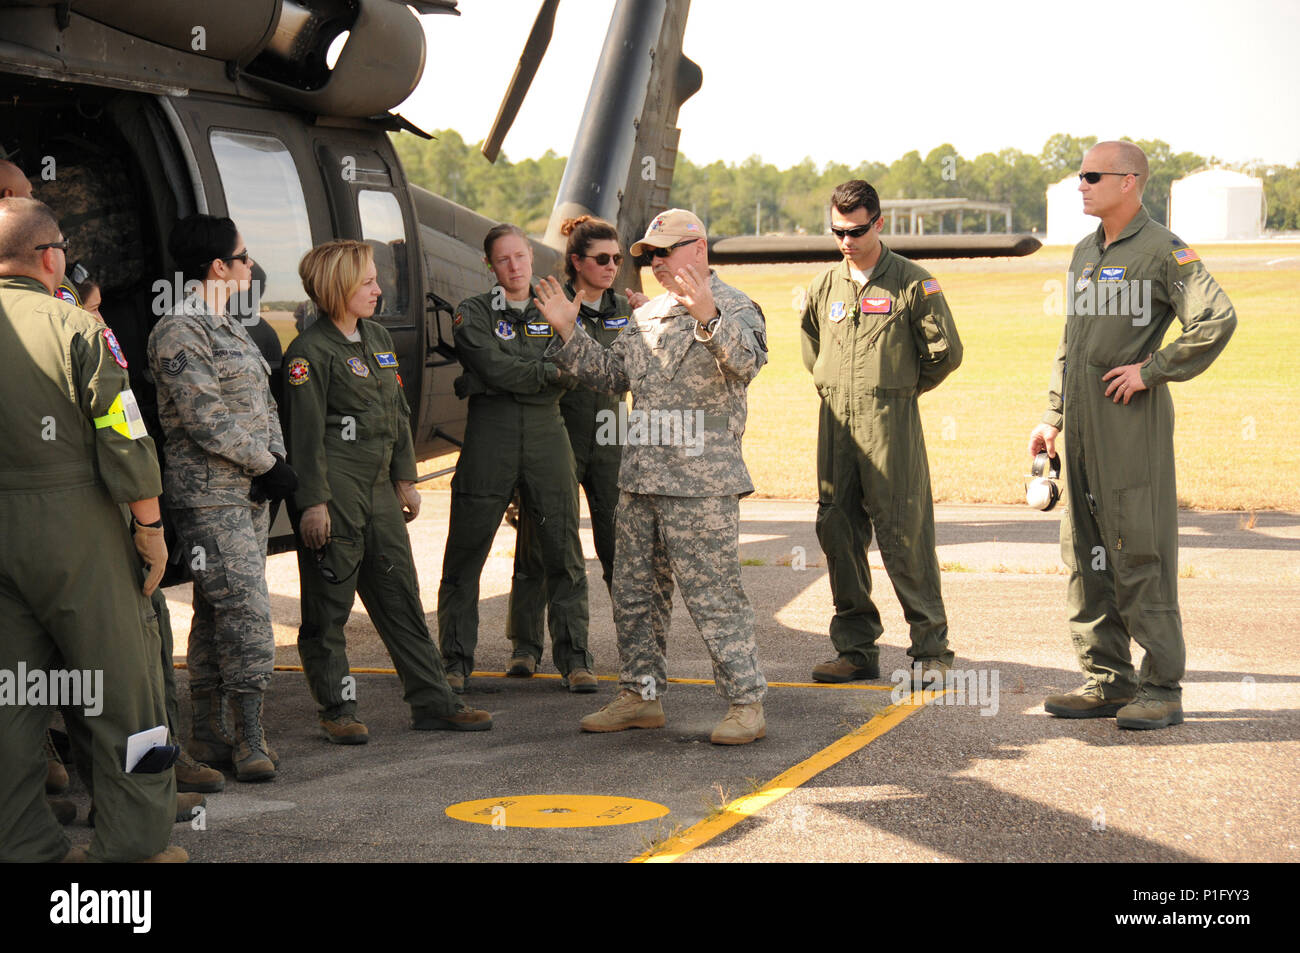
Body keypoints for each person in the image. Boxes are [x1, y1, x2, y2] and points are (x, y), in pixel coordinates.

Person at [533, 208, 770, 745]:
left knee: (714, 595)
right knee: (635, 595)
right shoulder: (648, 315)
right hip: (641, 478)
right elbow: (611, 374)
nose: (655, 262)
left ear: (699, 249)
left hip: (700, 486)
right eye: (650, 255)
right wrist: (569, 330)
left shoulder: (733, 306)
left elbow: (747, 363)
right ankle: (641, 695)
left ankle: (745, 703)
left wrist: (707, 314)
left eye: (665, 251)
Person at [0, 197, 183, 862]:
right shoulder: (77, 327)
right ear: (51, 258)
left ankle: (20, 842)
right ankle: (132, 843)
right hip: (78, 530)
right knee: (123, 691)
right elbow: (122, 430)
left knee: (12, 699)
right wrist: (150, 525)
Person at [1033, 141, 1236, 730]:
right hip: (1081, 426)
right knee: (1085, 550)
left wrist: (1152, 370)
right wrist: (1052, 417)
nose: (1081, 184)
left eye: (1093, 176)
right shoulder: (1083, 253)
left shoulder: (1163, 250)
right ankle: (1107, 680)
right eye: (1079, 175)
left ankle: (1162, 688)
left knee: (1137, 549)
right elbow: (1070, 346)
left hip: (1129, 426)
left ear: (1129, 182)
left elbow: (1216, 318)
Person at [283, 240, 491, 741]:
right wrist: (313, 504)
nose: (379, 289)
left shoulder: (377, 338)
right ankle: (338, 710)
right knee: (328, 611)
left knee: (401, 597)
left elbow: (396, 414)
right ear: (338, 288)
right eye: (367, 282)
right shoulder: (308, 354)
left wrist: (405, 479)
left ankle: (434, 701)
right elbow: (304, 438)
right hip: (336, 495)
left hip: (379, 493)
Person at [147, 214, 298, 782]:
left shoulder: (229, 325)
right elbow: (205, 418)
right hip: (211, 497)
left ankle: (208, 731)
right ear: (217, 267)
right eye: (243, 257)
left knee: (217, 613)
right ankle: (250, 737)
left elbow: (262, 404)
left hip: (248, 492)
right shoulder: (181, 329)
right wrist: (266, 465)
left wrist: (277, 463)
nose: (251, 265)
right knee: (250, 612)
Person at [800, 180, 962, 686]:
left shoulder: (914, 283)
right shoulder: (824, 287)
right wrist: (833, 383)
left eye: (857, 230)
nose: (846, 240)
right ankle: (855, 649)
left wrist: (896, 390)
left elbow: (945, 354)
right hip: (836, 425)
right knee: (837, 530)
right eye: (837, 231)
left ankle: (930, 650)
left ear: (879, 224)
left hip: (889, 423)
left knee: (904, 533)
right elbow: (810, 343)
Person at [437, 224, 594, 693]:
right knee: (466, 553)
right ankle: (455, 661)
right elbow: (490, 363)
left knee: (563, 550)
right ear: (490, 265)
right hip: (492, 436)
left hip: (548, 433)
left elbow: (573, 371)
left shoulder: (559, 307)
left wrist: (503, 377)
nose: (514, 266)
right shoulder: (474, 311)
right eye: (503, 259)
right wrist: (538, 371)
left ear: (531, 257)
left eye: (520, 256)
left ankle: (576, 659)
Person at [503, 215, 648, 677]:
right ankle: (526, 646)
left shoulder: (629, 310)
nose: (611, 267)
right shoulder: (551, 306)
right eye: (602, 259)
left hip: (611, 437)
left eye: (617, 259)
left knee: (618, 551)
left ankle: (634, 649)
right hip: (559, 434)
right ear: (576, 262)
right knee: (541, 545)